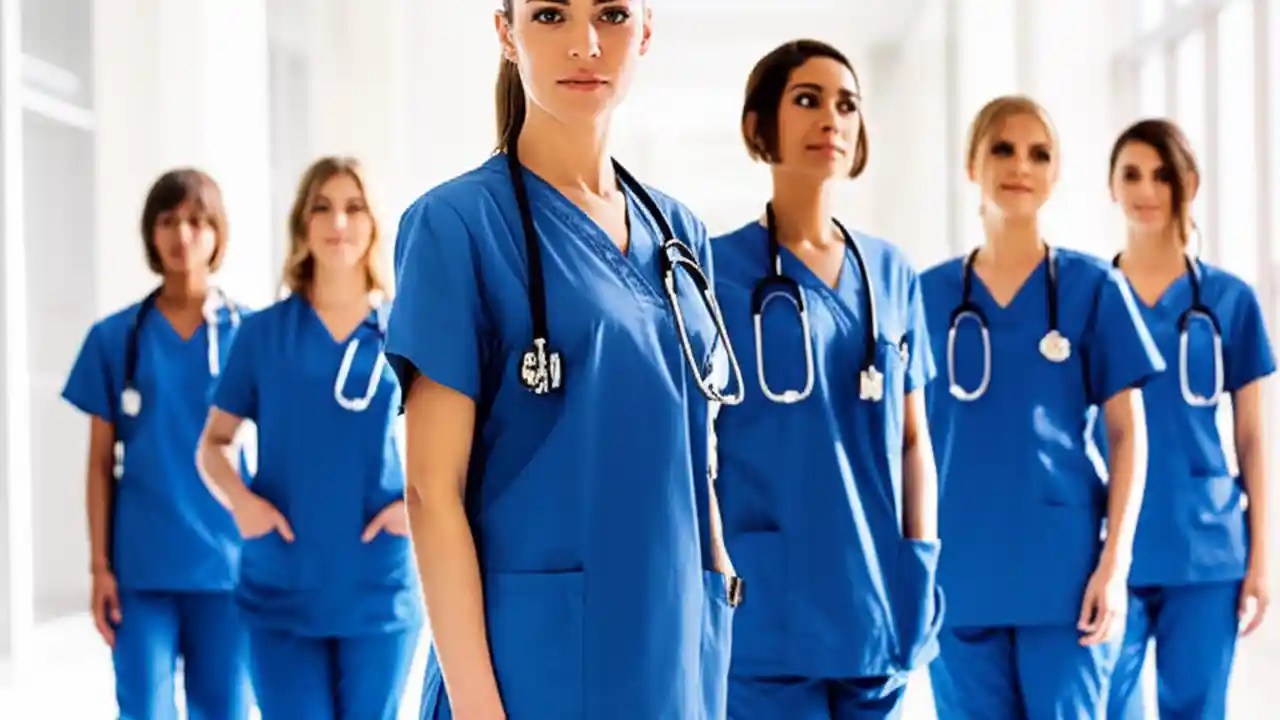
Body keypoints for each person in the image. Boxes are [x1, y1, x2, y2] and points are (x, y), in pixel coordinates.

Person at [383, 1, 745, 718]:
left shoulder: (681, 236)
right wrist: (481, 710)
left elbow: (693, 450)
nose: (585, 43)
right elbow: (430, 490)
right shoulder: (456, 227)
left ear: (645, 31)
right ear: (506, 33)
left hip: (670, 653)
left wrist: (717, 584)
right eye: (551, 15)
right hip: (527, 670)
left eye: (611, 14)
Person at [710, 39, 942, 720]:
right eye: (806, 101)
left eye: (846, 105)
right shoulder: (716, 272)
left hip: (875, 597)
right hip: (767, 606)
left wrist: (919, 559)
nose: (831, 121)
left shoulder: (890, 272)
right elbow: (691, 445)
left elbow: (912, 441)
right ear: (760, 127)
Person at [919, 95, 1166, 719]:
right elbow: (903, 443)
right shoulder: (927, 295)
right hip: (961, 577)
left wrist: (1116, 564)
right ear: (971, 164)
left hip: (1066, 578)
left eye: (1039, 153)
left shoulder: (1092, 289)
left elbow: (1128, 436)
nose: (1019, 165)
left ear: (1055, 176)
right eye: (1002, 147)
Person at [195, 156, 421, 719]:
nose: (338, 222)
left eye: (353, 207)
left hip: (376, 585)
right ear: (301, 223)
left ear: (374, 224)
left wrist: (416, 510)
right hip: (282, 584)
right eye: (322, 207)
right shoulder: (263, 334)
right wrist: (242, 504)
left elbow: (468, 442)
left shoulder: (408, 332)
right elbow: (214, 443)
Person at [61, 168, 252, 720]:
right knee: (143, 710)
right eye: (168, 221)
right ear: (150, 233)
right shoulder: (115, 339)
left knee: (225, 711)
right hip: (142, 571)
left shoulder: (250, 334)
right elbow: (99, 465)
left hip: (229, 569)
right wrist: (99, 567)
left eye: (196, 221)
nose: (182, 236)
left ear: (218, 233)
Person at [1103, 119, 1273, 720]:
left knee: (1198, 711)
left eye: (1162, 175)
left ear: (1188, 185)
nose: (1146, 189)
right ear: (1111, 187)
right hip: (1110, 547)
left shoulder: (1230, 301)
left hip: (1205, 548)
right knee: (1107, 707)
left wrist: (1261, 560)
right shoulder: (1089, 296)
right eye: (1131, 174)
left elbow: (1252, 438)